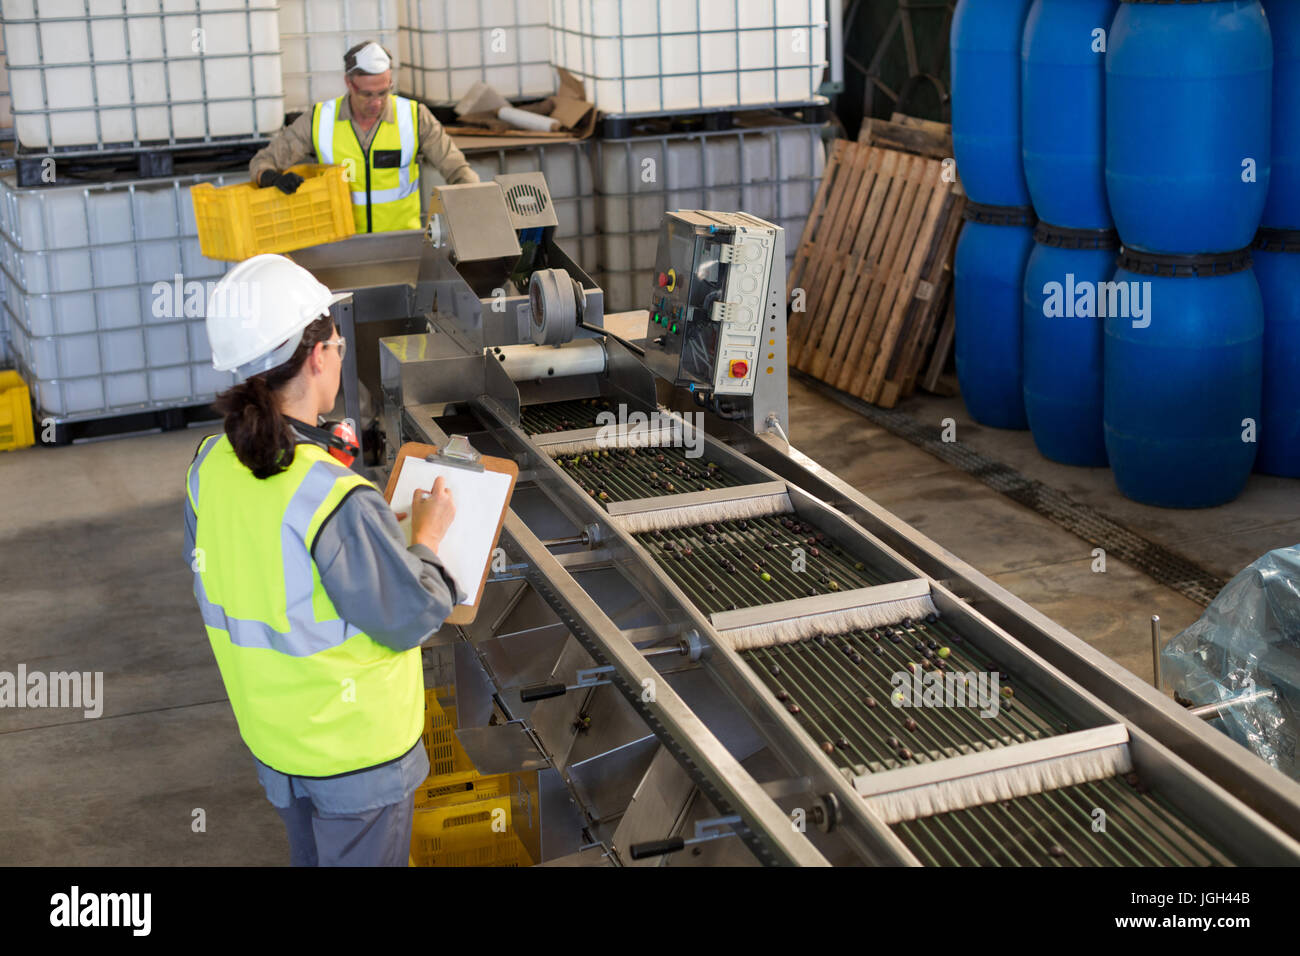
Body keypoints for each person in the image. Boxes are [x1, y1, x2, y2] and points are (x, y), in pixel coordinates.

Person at [184, 253, 466, 866]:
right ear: (317, 357)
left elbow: (265, 565)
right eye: (338, 345)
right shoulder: (330, 495)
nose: (338, 356)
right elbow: (411, 613)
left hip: (278, 743)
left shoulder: (209, 468)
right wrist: (427, 536)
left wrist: (369, 537)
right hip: (354, 755)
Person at [249, 40, 479, 233]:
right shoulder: (319, 119)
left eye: (383, 92)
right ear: (349, 83)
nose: (376, 103)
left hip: (400, 245)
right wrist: (272, 178)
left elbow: (457, 169)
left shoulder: (414, 117)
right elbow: (262, 162)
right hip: (338, 245)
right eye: (367, 94)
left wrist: (476, 210)